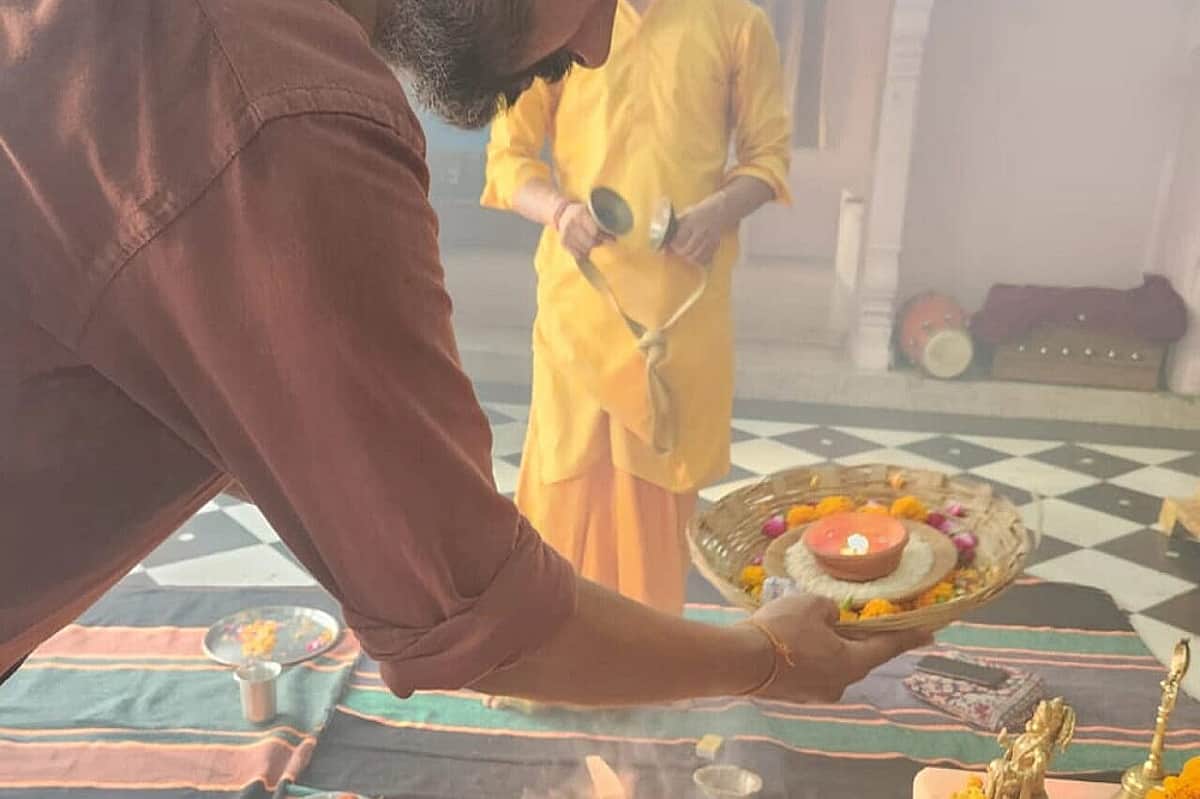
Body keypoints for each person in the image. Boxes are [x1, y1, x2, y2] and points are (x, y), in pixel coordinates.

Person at [0, 0, 927, 706]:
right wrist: (768, 657)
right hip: (581, 316)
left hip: (678, 319)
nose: (599, 43)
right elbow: (475, 617)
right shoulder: (277, 104)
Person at [482, 0, 792, 614]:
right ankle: (546, 655)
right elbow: (508, 159)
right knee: (563, 475)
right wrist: (559, 212)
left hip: (677, 308)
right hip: (583, 297)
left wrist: (717, 213)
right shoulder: (556, 18)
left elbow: (768, 159)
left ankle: (645, 672)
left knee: (655, 496)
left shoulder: (736, 22)